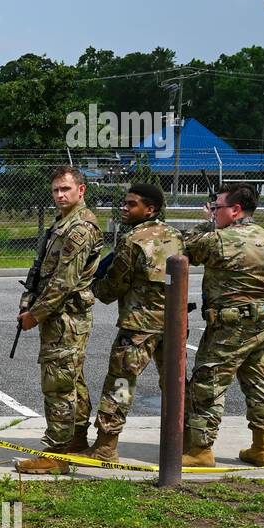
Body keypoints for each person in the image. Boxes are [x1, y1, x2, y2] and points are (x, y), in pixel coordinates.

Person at [181, 183, 264, 467]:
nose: (214, 212)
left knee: (208, 382)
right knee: (257, 382)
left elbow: (186, 247)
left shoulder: (218, 240)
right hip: (262, 325)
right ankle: (262, 446)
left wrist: (206, 223)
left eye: (217, 207)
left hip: (227, 328)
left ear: (236, 210)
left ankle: (201, 450)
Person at [14, 166, 103, 474]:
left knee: (58, 383)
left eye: (66, 189)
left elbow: (64, 282)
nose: (60, 195)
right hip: (61, 315)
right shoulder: (63, 224)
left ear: (82, 190)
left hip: (65, 317)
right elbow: (43, 273)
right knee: (71, 379)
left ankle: (56, 454)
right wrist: (29, 301)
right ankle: (76, 439)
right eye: (55, 190)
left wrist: (34, 315)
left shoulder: (79, 229)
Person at [87, 183, 183, 462]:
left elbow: (114, 285)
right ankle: (186, 446)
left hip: (139, 326)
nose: (124, 208)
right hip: (174, 323)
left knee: (120, 384)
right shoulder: (176, 235)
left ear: (149, 209)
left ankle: (106, 447)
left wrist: (93, 289)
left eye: (131, 204)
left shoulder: (132, 241)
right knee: (176, 386)